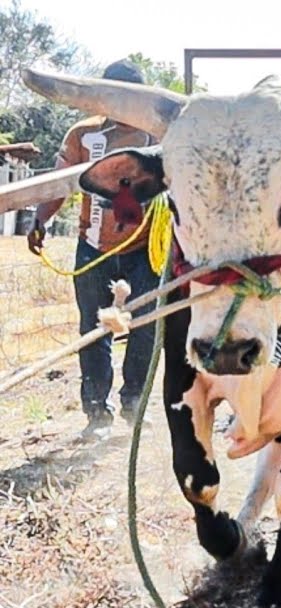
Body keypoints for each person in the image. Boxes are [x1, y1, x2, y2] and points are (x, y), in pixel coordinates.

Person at [27, 59, 160, 442]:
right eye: (112, 98)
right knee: (94, 328)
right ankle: (96, 413)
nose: (119, 107)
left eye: (128, 100)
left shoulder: (158, 138)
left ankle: (135, 404)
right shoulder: (83, 136)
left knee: (146, 327)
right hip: (92, 248)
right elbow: (58, 183)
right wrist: (41, 220)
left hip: (145, 250)